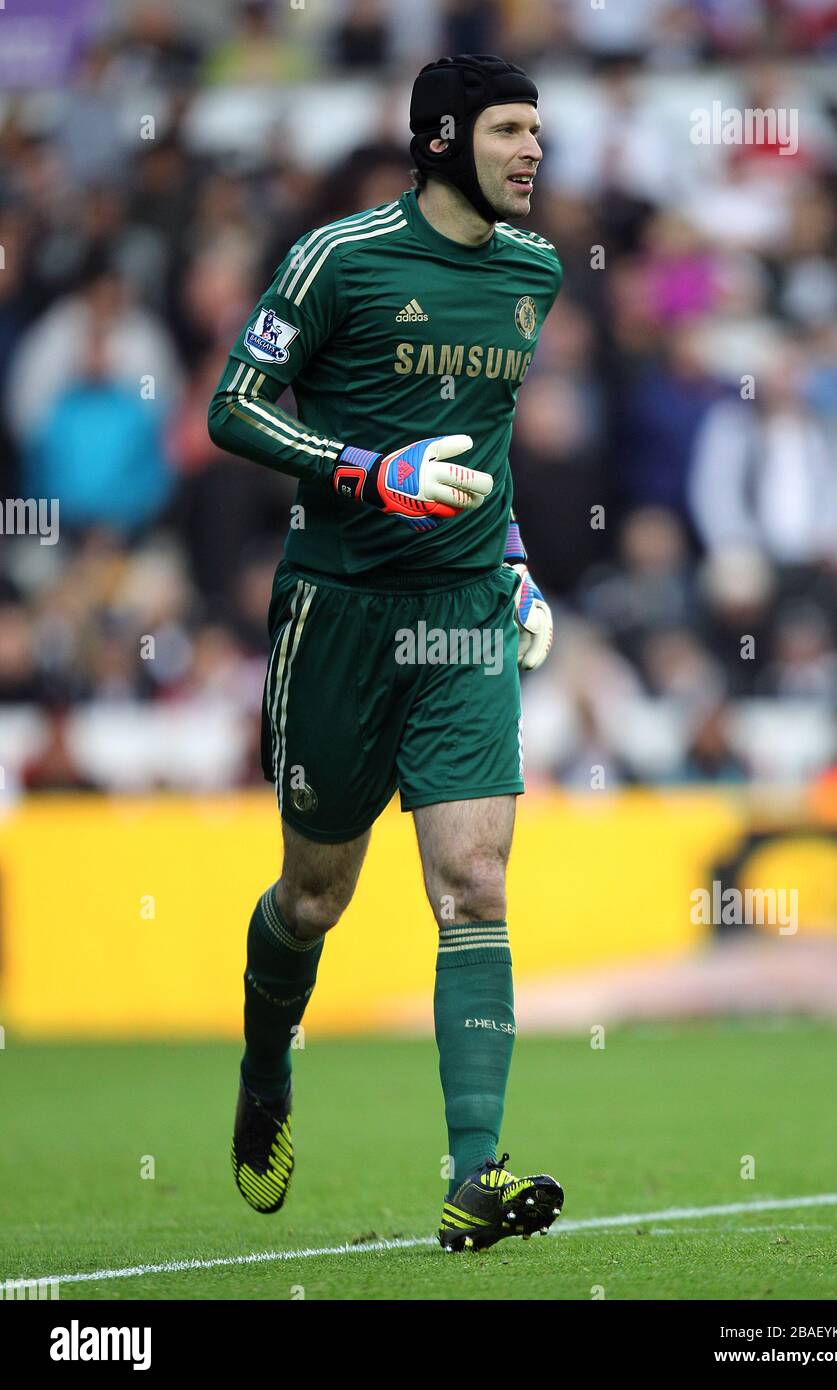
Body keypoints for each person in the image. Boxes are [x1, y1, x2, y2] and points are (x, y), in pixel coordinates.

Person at [208, 54, 565, 1252]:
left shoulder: (535, 271)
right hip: (342, 612)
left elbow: (496, 438)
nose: (531, 151)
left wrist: (510, 553)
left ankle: (477, 1172)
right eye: (509, 129)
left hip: (462, 612)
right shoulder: (338, 260)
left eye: (538, 131)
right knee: (315, 897)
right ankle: (266, 1068)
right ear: (439, 140)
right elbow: (234, 408)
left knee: (473, 883)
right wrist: (366, 472)